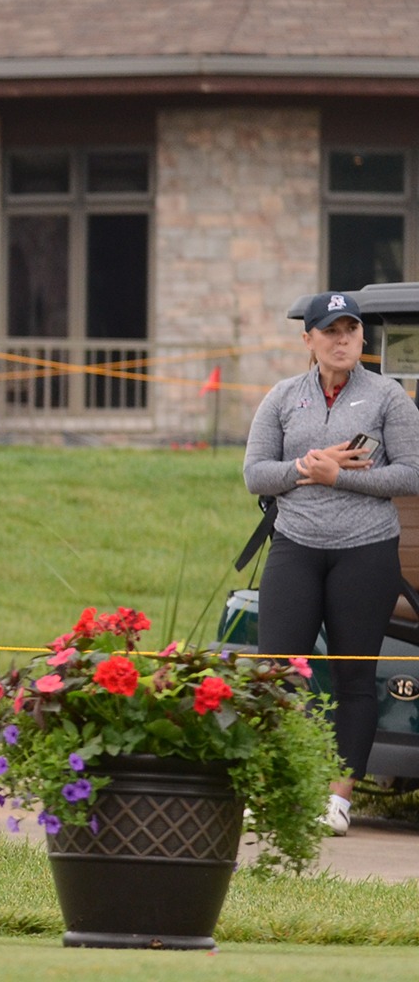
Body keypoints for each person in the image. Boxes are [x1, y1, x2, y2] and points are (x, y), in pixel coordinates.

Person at [243, 291, 419, 836]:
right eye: (330, 331)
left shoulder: (388, 397)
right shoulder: (282, 397)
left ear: (363, 337)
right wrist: (305, 467)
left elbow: (412, 473)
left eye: (351, 330)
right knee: (276, 672)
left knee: (354, 677)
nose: (342, 340)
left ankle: (337, 798)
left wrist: (338, 477)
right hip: (295, 546)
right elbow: (255, 473)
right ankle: (274, 787)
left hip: (365, 551)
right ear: (309, 339)